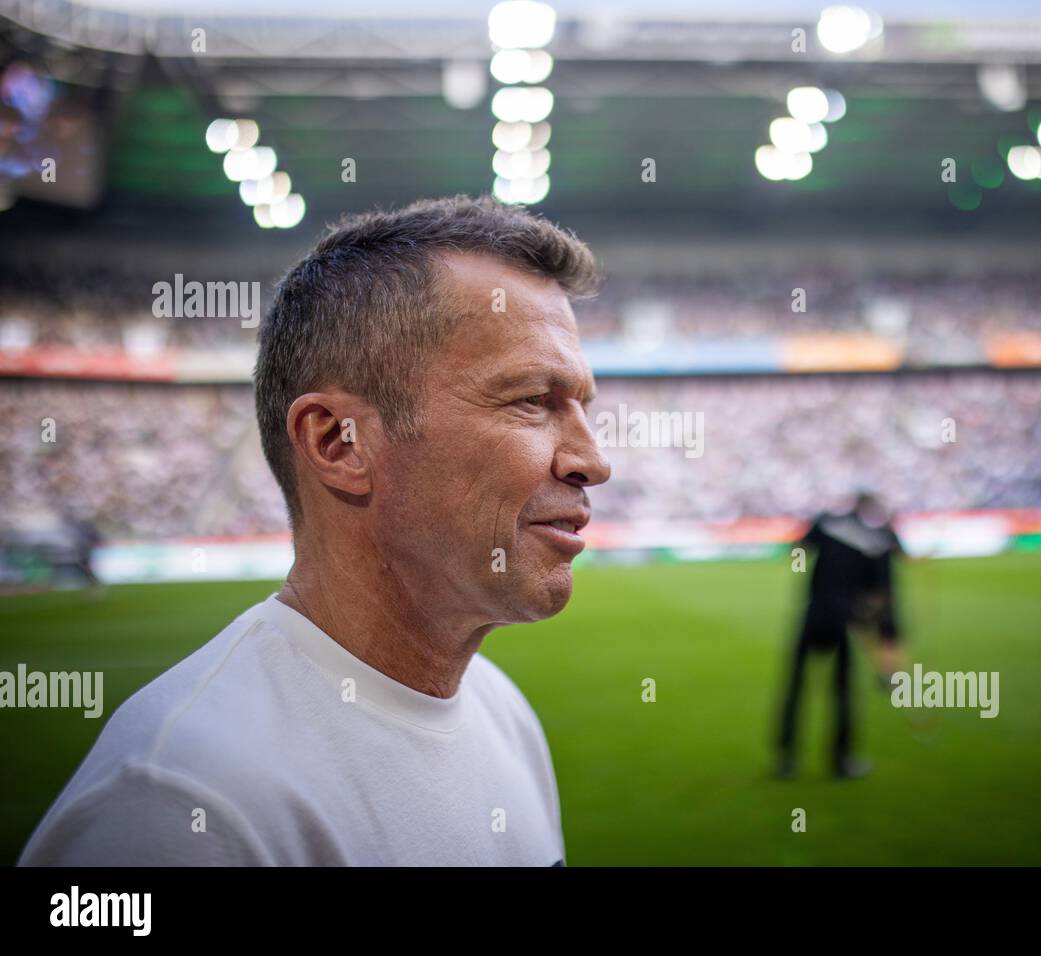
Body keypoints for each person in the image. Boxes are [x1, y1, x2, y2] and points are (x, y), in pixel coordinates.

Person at [20, 196, 611, 866]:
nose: (593, 460)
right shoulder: (180, 805)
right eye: (533, 401)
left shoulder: (503, 714)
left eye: (582, 407)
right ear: (339, 443)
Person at [775, 491, 903, 780]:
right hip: (843, 622)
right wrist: (864, 617)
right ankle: (841, 761)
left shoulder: (827, 523)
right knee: (842, 692)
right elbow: (879, 596)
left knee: (795, 686)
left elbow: (796, 549)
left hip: (812, 614)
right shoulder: (877, 541)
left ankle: (786, 759)